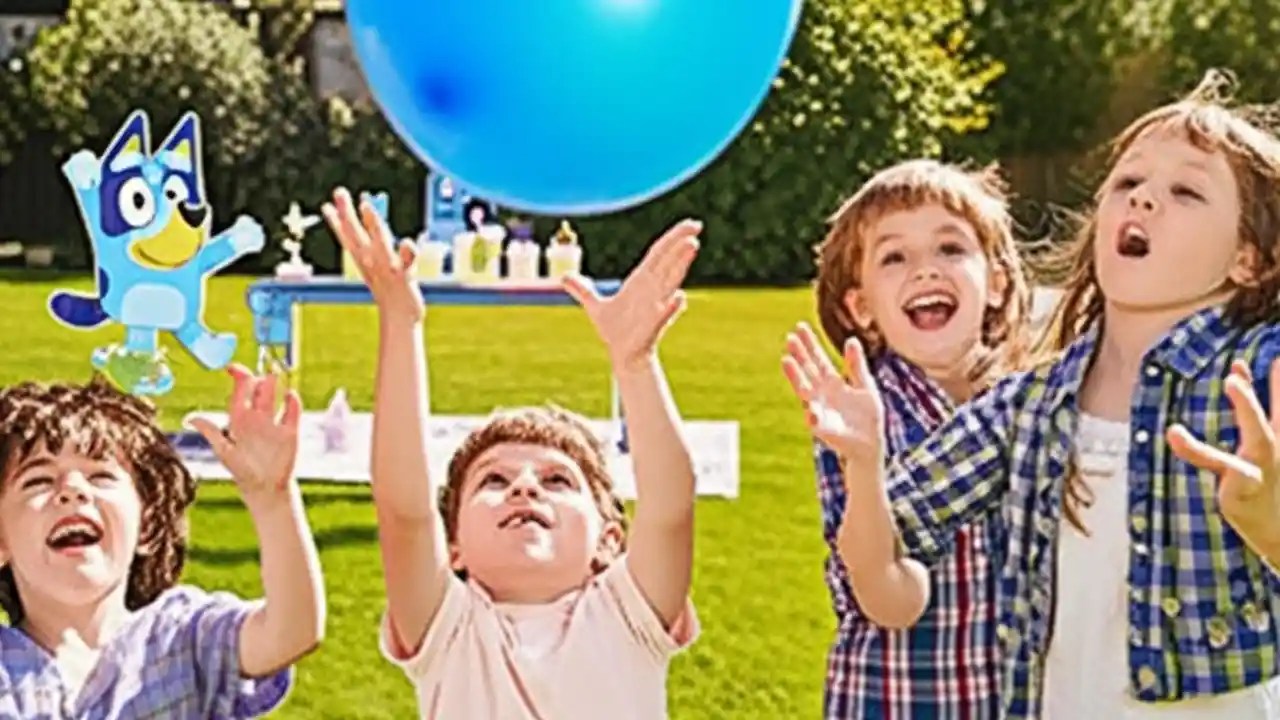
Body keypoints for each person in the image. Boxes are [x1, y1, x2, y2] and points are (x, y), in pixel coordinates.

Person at [322, 187, 701, 719]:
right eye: (493, 482)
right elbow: (404, 511)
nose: (524, 486)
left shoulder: (627, 612)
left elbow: (670, 506)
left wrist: (635, 364)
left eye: (558, 481)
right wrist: (400, 322)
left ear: (610, 539)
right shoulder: (447, 626)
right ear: (453, 547)